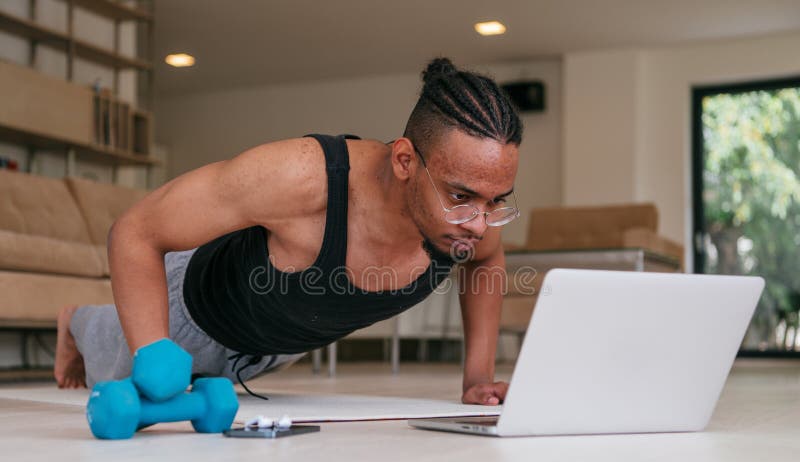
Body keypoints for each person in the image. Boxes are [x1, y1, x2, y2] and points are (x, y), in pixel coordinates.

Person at [54, 57, 523, 406]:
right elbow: (134, 230)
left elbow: (487, 260)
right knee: (115, 366)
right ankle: (75, 323)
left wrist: (477, 375)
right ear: (404, 161)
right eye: (460, 198)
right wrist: (153, 351)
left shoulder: (466, 220)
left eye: (497, 202)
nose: (480, 224)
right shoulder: (299, 177)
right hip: (189, 317)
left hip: (274, 346)